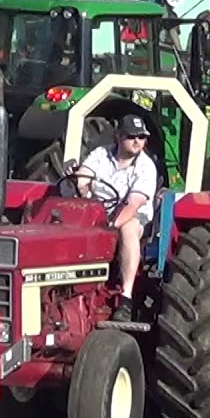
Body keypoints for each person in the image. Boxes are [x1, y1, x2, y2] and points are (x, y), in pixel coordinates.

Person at [74, 114, 158, 321]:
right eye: (132, 137)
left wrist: (110, 226)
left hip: (132, 215)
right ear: (119, 137)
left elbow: (133, 204)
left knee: (128, 228)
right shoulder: (101, 154)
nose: (138, 142)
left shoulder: (146, 167)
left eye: (142, 137)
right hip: (98, 209)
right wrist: (83, 188)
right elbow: (84, 174)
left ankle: (126, 297)